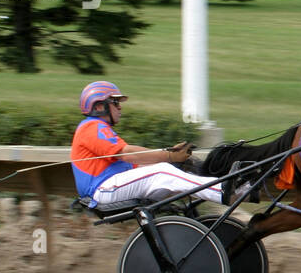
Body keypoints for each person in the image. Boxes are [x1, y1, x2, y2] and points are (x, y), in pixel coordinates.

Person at [71, 81, 246, 208]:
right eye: (115, 102)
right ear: (100, 106)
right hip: (101, 191)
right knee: (163, 171)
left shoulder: (98, 128)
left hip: (110, 187)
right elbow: (126, 153)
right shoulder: (91, 127)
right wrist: (168, 156)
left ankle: (238, 189)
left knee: (172, 174)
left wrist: (172, 158)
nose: (120, 107)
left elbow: (133, 163)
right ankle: (222, 191)